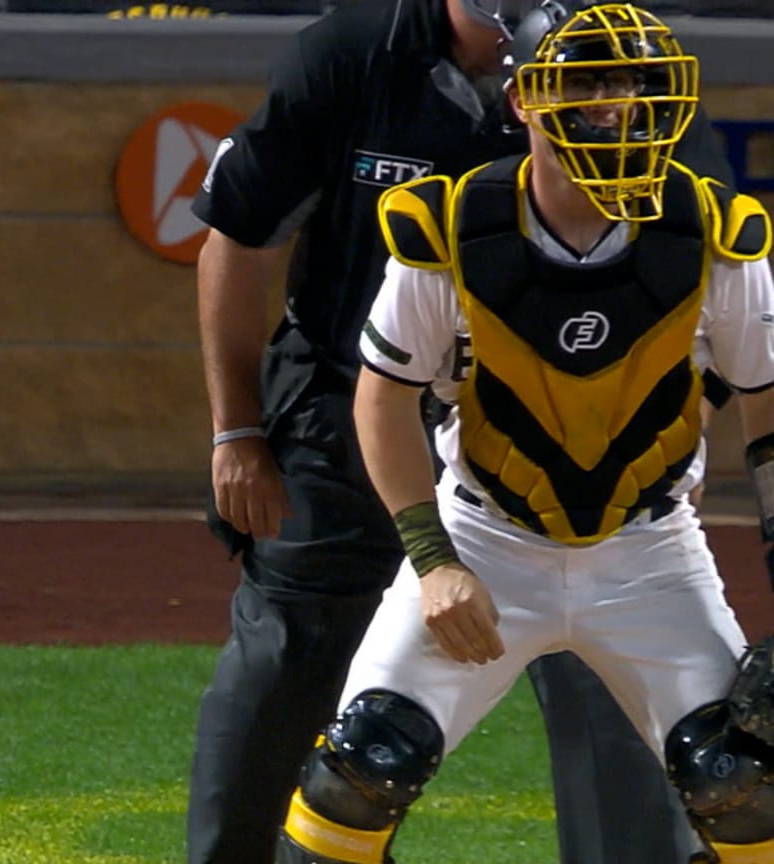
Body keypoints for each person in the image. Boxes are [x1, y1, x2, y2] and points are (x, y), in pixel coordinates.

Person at [187, 0, 741, 861]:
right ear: (525, 98)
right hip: (354, 409)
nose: (608, 101)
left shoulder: (624, 66)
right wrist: (237, 432)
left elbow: (698, 290)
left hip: (581, 458)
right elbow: (239, 234)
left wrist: (664, 436)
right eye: (580, 85)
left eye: (616, 85)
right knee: (298, 676)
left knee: (661, 741)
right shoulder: (349, 55)